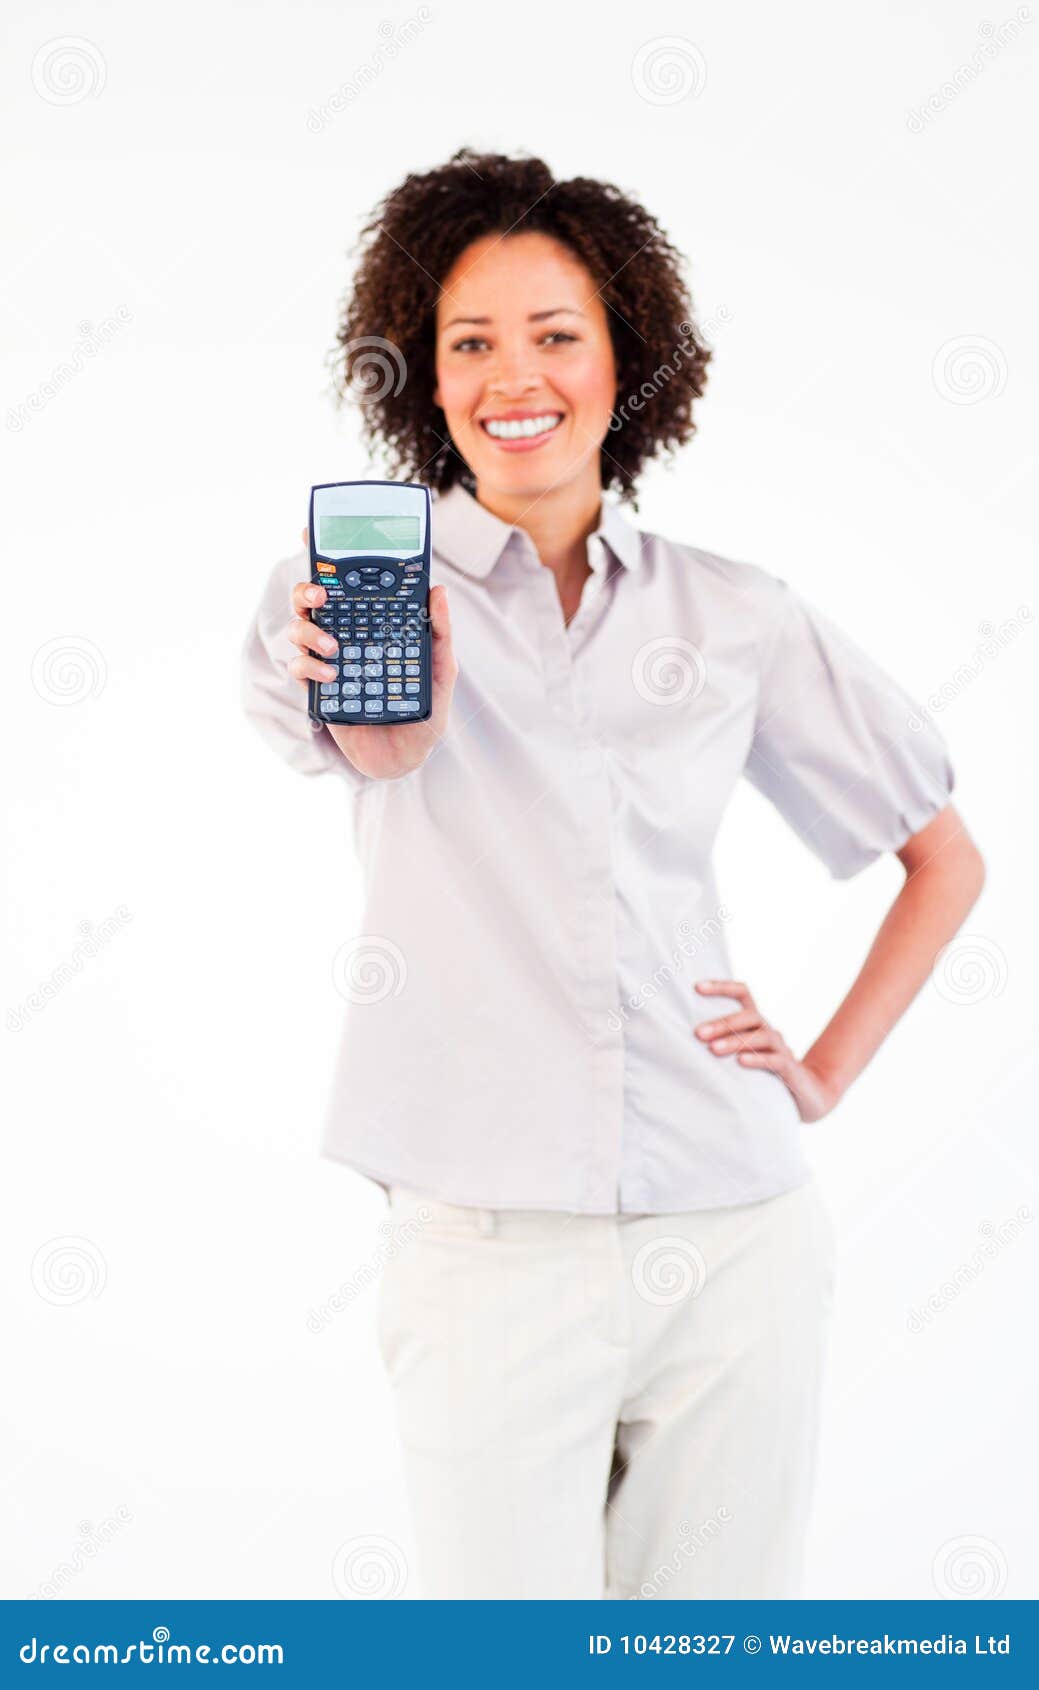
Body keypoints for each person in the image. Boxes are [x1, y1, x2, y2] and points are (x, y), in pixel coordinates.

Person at [241, 149, 985, 1600]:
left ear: (626, 360)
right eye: (469, 342)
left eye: (556, 333)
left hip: (736, 1236)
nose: (514, 374)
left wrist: (819, 1075)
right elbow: (372, 754)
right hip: (484, 1244)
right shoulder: (337, 596)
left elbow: (942, 855)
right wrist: (398, 699)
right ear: (425, 383)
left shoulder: (735, 613)